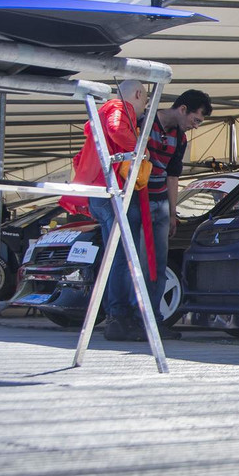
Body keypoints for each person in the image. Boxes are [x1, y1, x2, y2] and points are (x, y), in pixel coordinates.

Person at [59, 79, 149, 341]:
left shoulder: (101, 114)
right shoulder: (119, 107)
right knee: (122, 257)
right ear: (137, 93)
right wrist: (139, 151)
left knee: (117, 256)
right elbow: (117, 128)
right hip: (112, 190)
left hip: (99, 191)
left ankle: (117, 314)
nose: (145, 108)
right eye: (144, 101)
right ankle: (119, 317)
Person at [142, 89, 212, 337]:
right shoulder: (144, 123)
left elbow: (173, 176)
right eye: (196, 120)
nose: (195, 127)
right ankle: (127, 316)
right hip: (135, 199)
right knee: (131, 260)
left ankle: (154, 319)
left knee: (157, 264)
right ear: (183, 109)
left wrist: (173, 213)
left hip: (159, 202)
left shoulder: (180, 140)